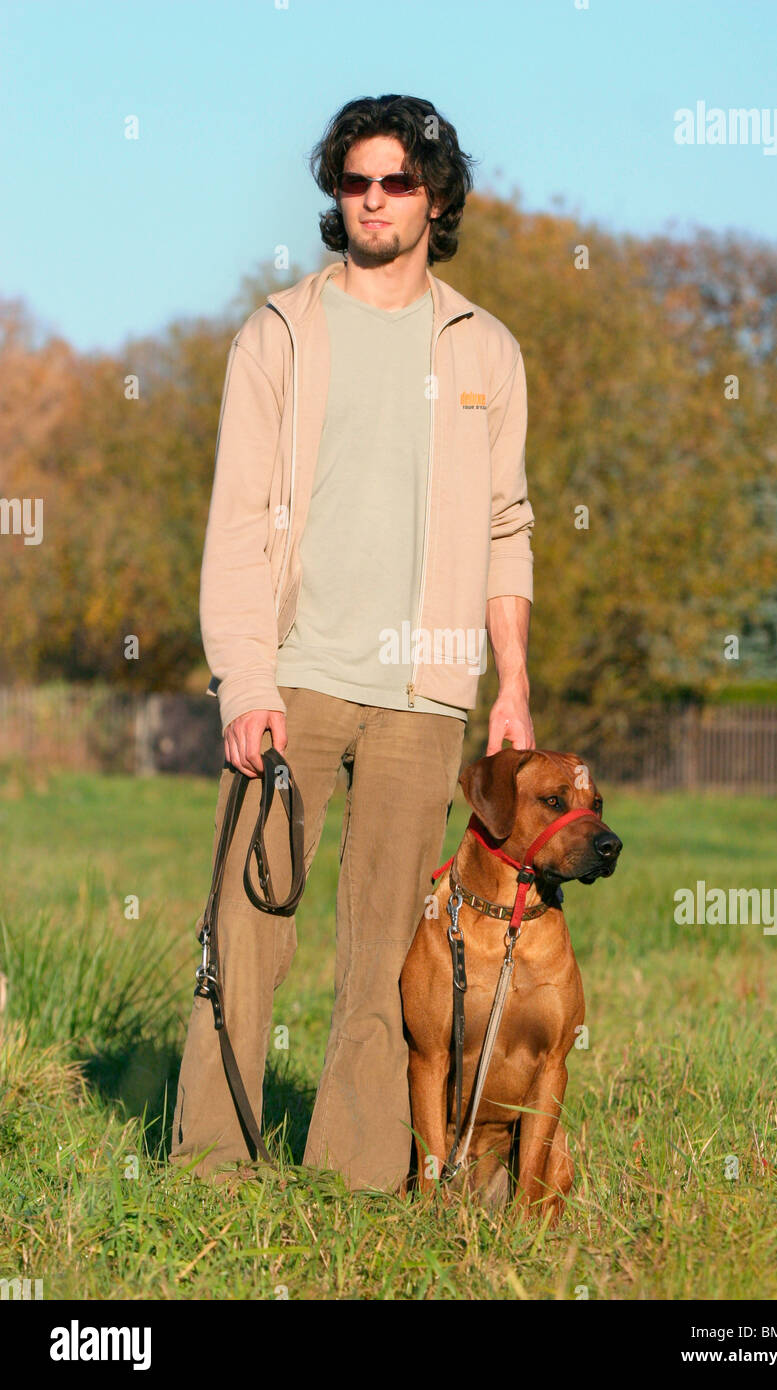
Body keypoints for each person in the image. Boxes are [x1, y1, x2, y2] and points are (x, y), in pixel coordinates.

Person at [169, 93, 536, 1192]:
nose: (374, 200)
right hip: (295, 678)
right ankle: (208, 1168)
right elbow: (236, 520)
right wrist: (244, 683)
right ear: (336, 194)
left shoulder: (485, 347)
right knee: (247, 929)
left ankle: (357, 1178)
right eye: (355, 181)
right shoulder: (279, 331)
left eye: (397, 181)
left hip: (423, 698)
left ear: (435, 196)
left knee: (389, 952)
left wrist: (510, 686)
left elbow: (506, 527)